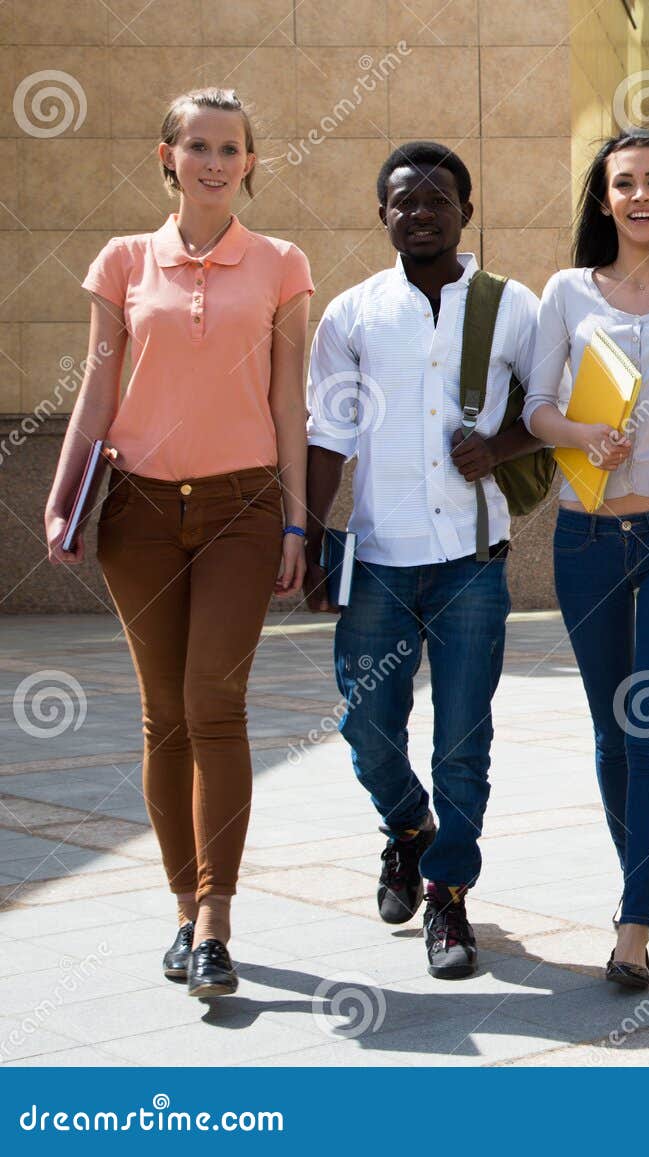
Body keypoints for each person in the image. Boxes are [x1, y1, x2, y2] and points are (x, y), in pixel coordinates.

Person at [43, 88, 313, 998]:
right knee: (163, 714)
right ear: (168, 157)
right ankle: (181, 908)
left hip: (243, 508)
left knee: (213, 703)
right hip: (139, 514)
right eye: (197, 146)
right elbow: (98, 389)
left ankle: (216, 920)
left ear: (250, 162)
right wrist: (64, 496)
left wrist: (296, 519)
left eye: (230, 148)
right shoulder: (123, 261)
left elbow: (288, 402)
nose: (213, 162)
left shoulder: (281, 263)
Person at [302, 141, 542, 980]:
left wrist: (499, 446)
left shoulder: (513, 307)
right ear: (383, 215)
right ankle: (408, 826)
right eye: (405, 200)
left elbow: (551, 407)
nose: (422, 212)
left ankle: (447, 893)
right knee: (366, 726)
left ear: (466, 212)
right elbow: (327, 436)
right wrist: (310, 537)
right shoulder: (352, 315)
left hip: (472, 558)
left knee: (462, 741)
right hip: (377, 557)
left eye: (438, 199)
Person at [522, 130, 649, 990]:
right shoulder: (565, 292)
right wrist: (580, 432)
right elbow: (536, 408)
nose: (639, 196)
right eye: (624, 183)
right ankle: (642, 875)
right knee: (610, 726)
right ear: (604, 199)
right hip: (586, 535)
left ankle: (634, 921)